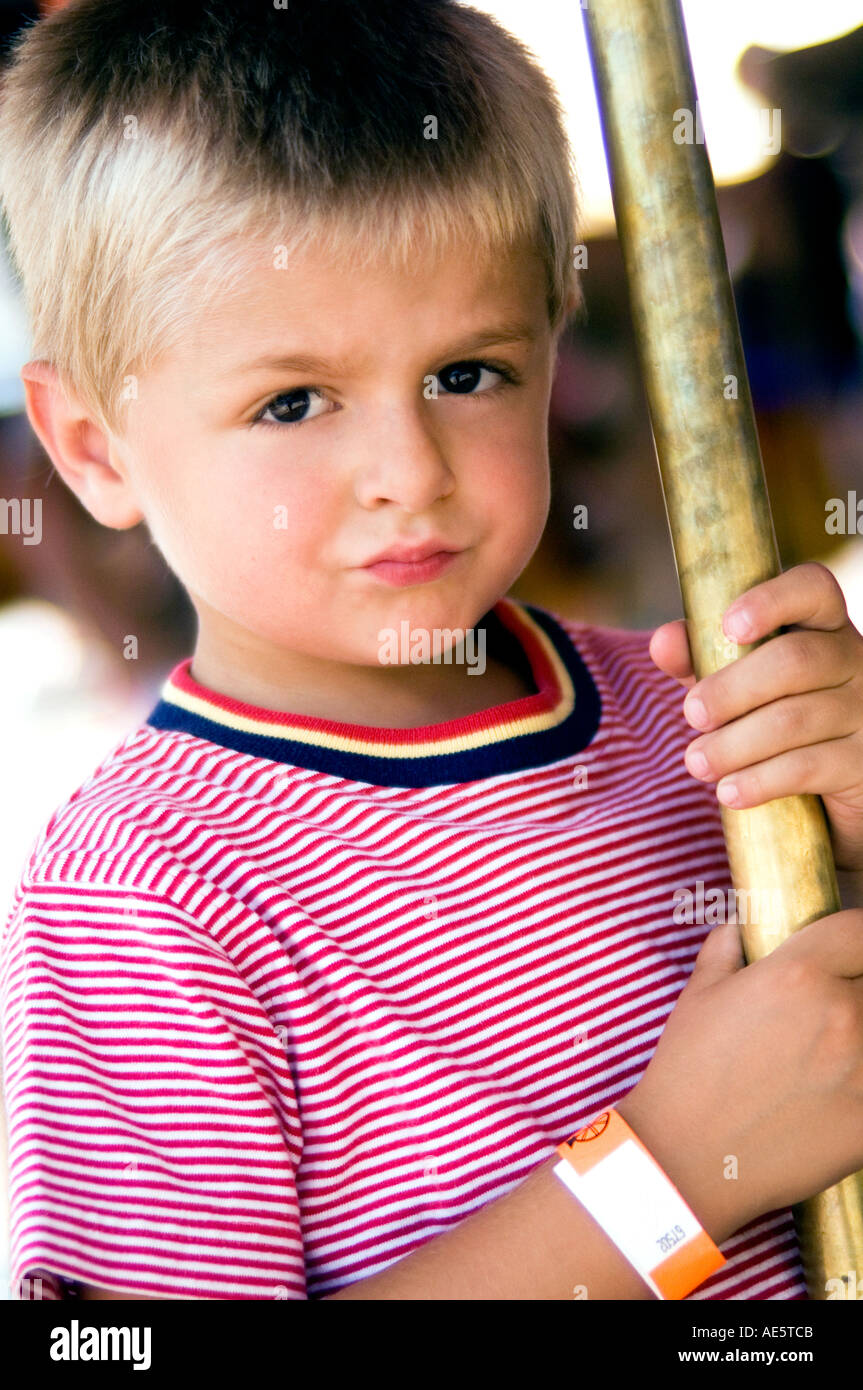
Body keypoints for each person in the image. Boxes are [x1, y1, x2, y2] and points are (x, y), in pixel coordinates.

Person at [2, 0, 863, 1303]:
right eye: (292, 401)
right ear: (92, 445)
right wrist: (681, 1165)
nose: (410, 474)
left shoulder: (707, 712)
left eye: (468, 373)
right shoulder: (144, 892)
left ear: (554, 335)